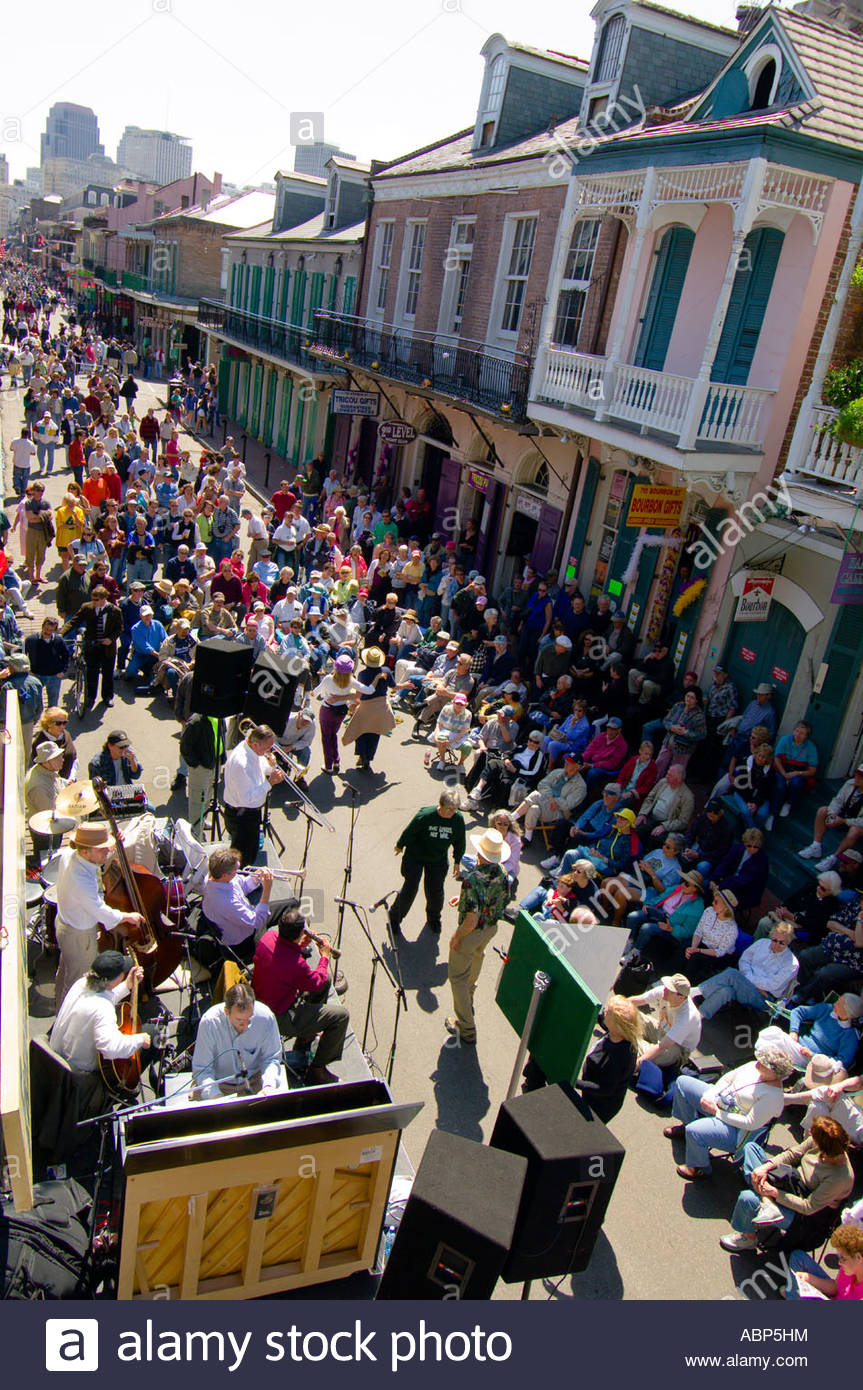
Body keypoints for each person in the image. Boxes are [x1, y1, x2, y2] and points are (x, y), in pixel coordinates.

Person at [719, 1116, 854, 1253]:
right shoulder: (819, 1141)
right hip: (789, 1182)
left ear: (824, 1147)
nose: (809, 1136)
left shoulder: (841, 1177)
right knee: (751, 1148)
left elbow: (808, 1206)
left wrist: (774, 1193)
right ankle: (768, 1204)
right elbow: (792, 1154)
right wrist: (766, 1167)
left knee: (747, 1198)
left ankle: (749, 1238)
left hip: (804, 1217)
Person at [253, 900, 349, 1087]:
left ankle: (306, 1036)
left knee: (327, 982)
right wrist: (324, 956)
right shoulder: (295, 965)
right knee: (340, 1016)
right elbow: (315, 981)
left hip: (264, 999)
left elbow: (285, 958)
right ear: (297, 933)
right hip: (278, 1016)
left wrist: (300, 943)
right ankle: (317, 1070)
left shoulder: (268, 938)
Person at [665, 1043, 795, 1180]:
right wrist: (711, 1095)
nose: (758, 1064)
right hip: (720, 1101)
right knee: (682, 1083)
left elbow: (750, 1123)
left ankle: (699, 1166)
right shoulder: (753, 1066)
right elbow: (728, 1078)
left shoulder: (773, 1097)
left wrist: (717, 1113)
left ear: (775, 1074)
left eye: (764, 1064)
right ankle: (687, 1128)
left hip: (735, 1129)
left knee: (694, 1130)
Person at [50, 951, 152, 1119]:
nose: (124, 974)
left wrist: (127, 985)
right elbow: (110, 1048)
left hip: (60, 1062)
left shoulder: (81, 984)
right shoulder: (102, 1009)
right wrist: (140, 1039)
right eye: (122, 973)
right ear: (112, 980)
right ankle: (122, 1091)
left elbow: (103, 997)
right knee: (149, 1035)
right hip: (81, 1077)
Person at [53, 822, 144, 1009]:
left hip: (65, 926)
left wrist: (111, 847)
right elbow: (99, 910)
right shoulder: (81, 880)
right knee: (76, 984)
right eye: (102, 849)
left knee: (65, 973)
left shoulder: (72, 855)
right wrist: (126, 917)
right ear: (86, 851)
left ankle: (60, 1010)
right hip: (79, 937)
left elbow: (98, 857)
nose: (106, 852)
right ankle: (66, 1019)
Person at [522, 993, 642, 1119]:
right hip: (591, 1091)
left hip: (600, 1106)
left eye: (608, 1012)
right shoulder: (619, 1034)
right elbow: (603, 1020)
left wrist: (574, 1082)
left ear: (617, 1025)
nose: (604, 1011)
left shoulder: (618, 1058)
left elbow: (604, 1089)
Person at [446, 829, 512, 1046]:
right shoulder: (502, 872)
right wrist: (464, 899)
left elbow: (471, 920)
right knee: (477, 958)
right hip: (491, 928)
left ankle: (466, 1027)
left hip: (472, 931)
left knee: (457, 977)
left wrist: (457, 936)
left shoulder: (472, 879)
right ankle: (470, 996)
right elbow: (500, 898)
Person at [389, 790, 466, 939]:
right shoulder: (425, 815)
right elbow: (410, 831)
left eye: (455, 808)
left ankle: (434, 918)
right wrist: (400, 845)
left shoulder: (457, 820)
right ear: (441, 805)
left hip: (437, 859)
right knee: (410, 889)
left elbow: (460, 841)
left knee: (435, 892)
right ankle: (394, 918)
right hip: (416, 856)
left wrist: (457, 861)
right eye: (449, 808)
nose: (452, 812)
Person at [191, 982, 283, 1100]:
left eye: (249, 1018)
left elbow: (271, 1058)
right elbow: (202, 1069)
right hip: (219, 1085)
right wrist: (215, 1096)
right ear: (226, 1012)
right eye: (239, 1020)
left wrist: (269, 1085)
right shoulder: (209, 1022)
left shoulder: (265, 1017)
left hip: (255, 1081)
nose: (245, 1025)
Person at [695, 922, 799, 1020]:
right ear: (771, 936)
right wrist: (747, 979)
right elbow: (744, 960)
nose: (776, 945)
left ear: (789, 941)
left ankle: (695, 992)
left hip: (764, 998)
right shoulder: (762, 943)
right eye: (774, 940)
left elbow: (772, 985)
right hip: (748, 984)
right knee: (726, 991)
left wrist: (746, 979)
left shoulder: (792, 963)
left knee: (732, 974)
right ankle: (698, 1016)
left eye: (781, 943)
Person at [222, 722, 286, 865]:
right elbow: (247, 799)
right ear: (256, 744)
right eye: (267, 747)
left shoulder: (252, 750)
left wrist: (271, 766)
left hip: (247, 814)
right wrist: (270, 783)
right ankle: (241, 884)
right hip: (242, 816)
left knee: (250, 853)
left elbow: (260, 767)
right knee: (243, 859)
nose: (269, 751)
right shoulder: (242, 763)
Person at [199, 847, 275, 968]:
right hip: (244, 942)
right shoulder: (227, 902)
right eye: (235, 870)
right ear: (225, 875)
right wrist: (267, 889)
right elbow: (256, 922)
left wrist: (256, 877)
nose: (238, 872)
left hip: (245, 917)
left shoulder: (217, 880)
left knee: (289, 905)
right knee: (273, 938)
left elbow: (243, 885)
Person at [61, 585, 123, 710]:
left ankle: (107, 696)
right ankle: (90, 697)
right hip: (92, 646)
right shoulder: (87, 608)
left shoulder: (115, 611)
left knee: (107, 673)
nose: (93, 602)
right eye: (93, 599)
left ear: (103, 599)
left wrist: (110, 639)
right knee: (91, 673)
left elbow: (119, 628)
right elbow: (74, 621)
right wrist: (61, 633)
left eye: (96, 600)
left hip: (107, 647)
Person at [312, 654, 371, 775]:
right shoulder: (351, 680)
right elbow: (368, 690)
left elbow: (315, 692)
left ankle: (329, 765)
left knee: (326, 738)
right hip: (341, 712)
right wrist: (376, 680)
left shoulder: (328, 678)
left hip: (327, 711)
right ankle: (336, 761)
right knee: (333, 735)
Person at [629, 973, 701, 1070]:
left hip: (676, 1047)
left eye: (669, 989)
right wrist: (616, 1005)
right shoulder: (663, 992)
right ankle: (632, 1040)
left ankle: (630, 1041)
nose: (664, 989)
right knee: (629, 1013)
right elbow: (637, 1000)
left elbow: (662, 1047)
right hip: (661, 1029)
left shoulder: (687, 1017)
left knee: (652, 1056)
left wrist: (639, 1062)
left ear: (681, 997)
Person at [342, 645, 395, 772]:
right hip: (381, 708)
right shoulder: (386, 671)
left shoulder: (363, 674)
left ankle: (362, 755)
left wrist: (352, 704)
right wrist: (406, 685)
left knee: (361, 731)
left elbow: (360, 693)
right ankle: (368, 759)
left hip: (366, 707)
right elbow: (394, 686)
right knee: (375, 733)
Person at [799, 763, 863, 868]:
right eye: (857, 774)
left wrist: (843, 821)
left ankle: (835, 858)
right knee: (823, 810)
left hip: (856, 823)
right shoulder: (850, 784)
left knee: (854, 831)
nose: (857, 778)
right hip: (844, 815)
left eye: (861, 776)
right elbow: (837, 801)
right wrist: (832, 814)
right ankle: (816, 846)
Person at [783, 1223, 863, 1300]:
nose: (839, 1262)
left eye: (843, 1258)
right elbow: (836, 1287)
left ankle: (792, 1294)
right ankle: (793, 1295)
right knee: (798, 1257)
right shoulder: (849, 1268)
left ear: (858, 1257)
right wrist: (809, 1279)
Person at [25, 616, 69, 709]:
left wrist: (63, 671)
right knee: (36, 703)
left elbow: (66, 655)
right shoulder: (31, 640)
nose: (47, 632)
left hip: (54, 676)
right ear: (42, 626)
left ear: (55, 630)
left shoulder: (58, 640)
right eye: (46, 628)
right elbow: (23, 655)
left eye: (51, 630)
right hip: (37, 675)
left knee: (53, 704)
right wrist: (28, 671)